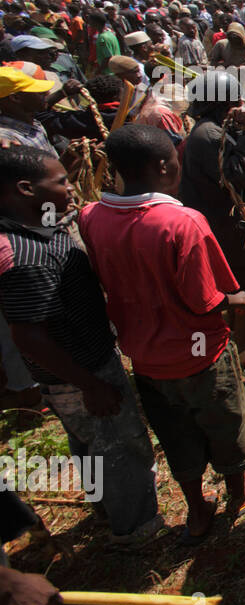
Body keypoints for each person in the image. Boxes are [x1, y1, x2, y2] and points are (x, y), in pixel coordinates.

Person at [79, 124, 245, 542]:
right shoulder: (181, 222)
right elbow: (205, 300)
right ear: (166, 166)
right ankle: (240, 490)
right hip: (200, 354)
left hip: (146, 360)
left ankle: (197, 508)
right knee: (225, 422)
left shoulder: (91, 216)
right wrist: (238, 302)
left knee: (175, 434)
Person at [0, 145, 162, 545]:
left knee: (91, 443)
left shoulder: (41, 226)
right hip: (81, 372)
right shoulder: (25, 256)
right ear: (24, 189)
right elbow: (29, 335)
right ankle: (138, 531)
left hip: (77, 370)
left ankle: (108, 509)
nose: (71, 188)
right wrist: (91, 384)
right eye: (61, 182)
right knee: (121, 449)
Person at [178, 70, 245, 367]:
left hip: (221, 223)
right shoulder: (209, 136)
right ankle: (240, 346)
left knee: (237, 281)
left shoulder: (210, 130)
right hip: (224, 227)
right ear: (223, 104)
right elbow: (242, 174)